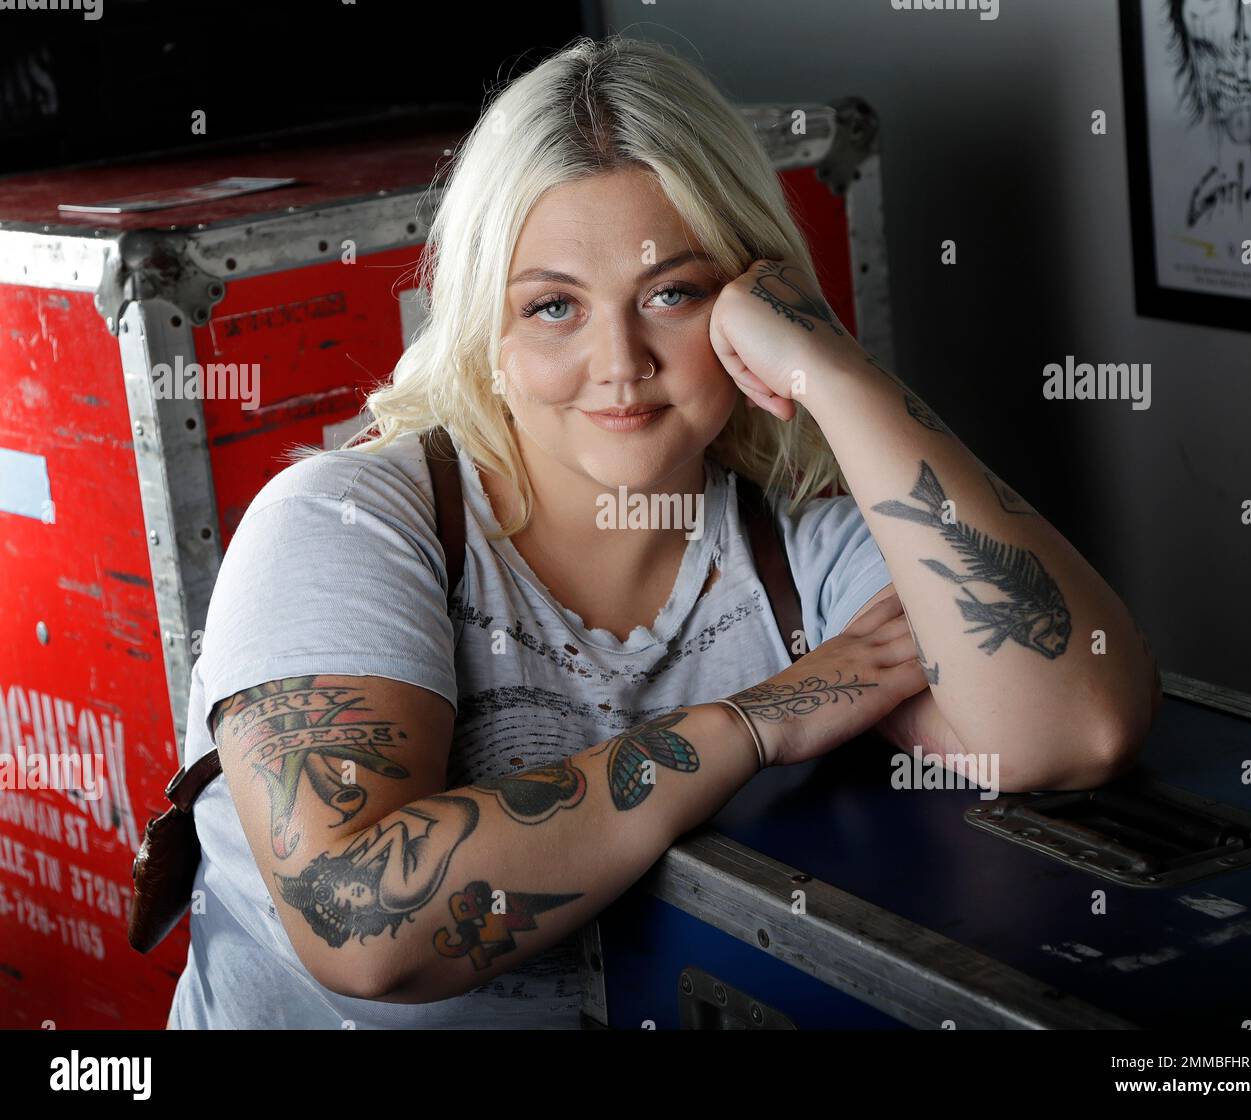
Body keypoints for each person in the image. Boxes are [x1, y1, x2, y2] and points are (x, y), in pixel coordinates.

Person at [166, 33, 1158, 1029]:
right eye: (553, 306)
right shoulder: (345, 526)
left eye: (671, 293)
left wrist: (834, 371)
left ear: (746, 293)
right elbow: (364, 925)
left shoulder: (795, 546)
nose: (619, 360)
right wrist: (755, 721)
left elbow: (1076, 728)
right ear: (482, 327)